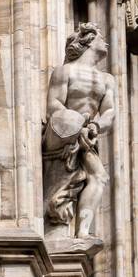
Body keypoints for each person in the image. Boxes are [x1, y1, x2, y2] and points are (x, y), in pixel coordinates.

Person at [43, 22, 116, 238]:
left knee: (100, 177)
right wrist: (77, 124)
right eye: (102, 39)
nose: (107, 43)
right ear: (89, 40)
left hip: (88, 137)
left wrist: (95, 125)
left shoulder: (107, 80)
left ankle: (82, 231)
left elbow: (110, 111)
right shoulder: (65, 71)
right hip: (65, 134)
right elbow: (54, 105)